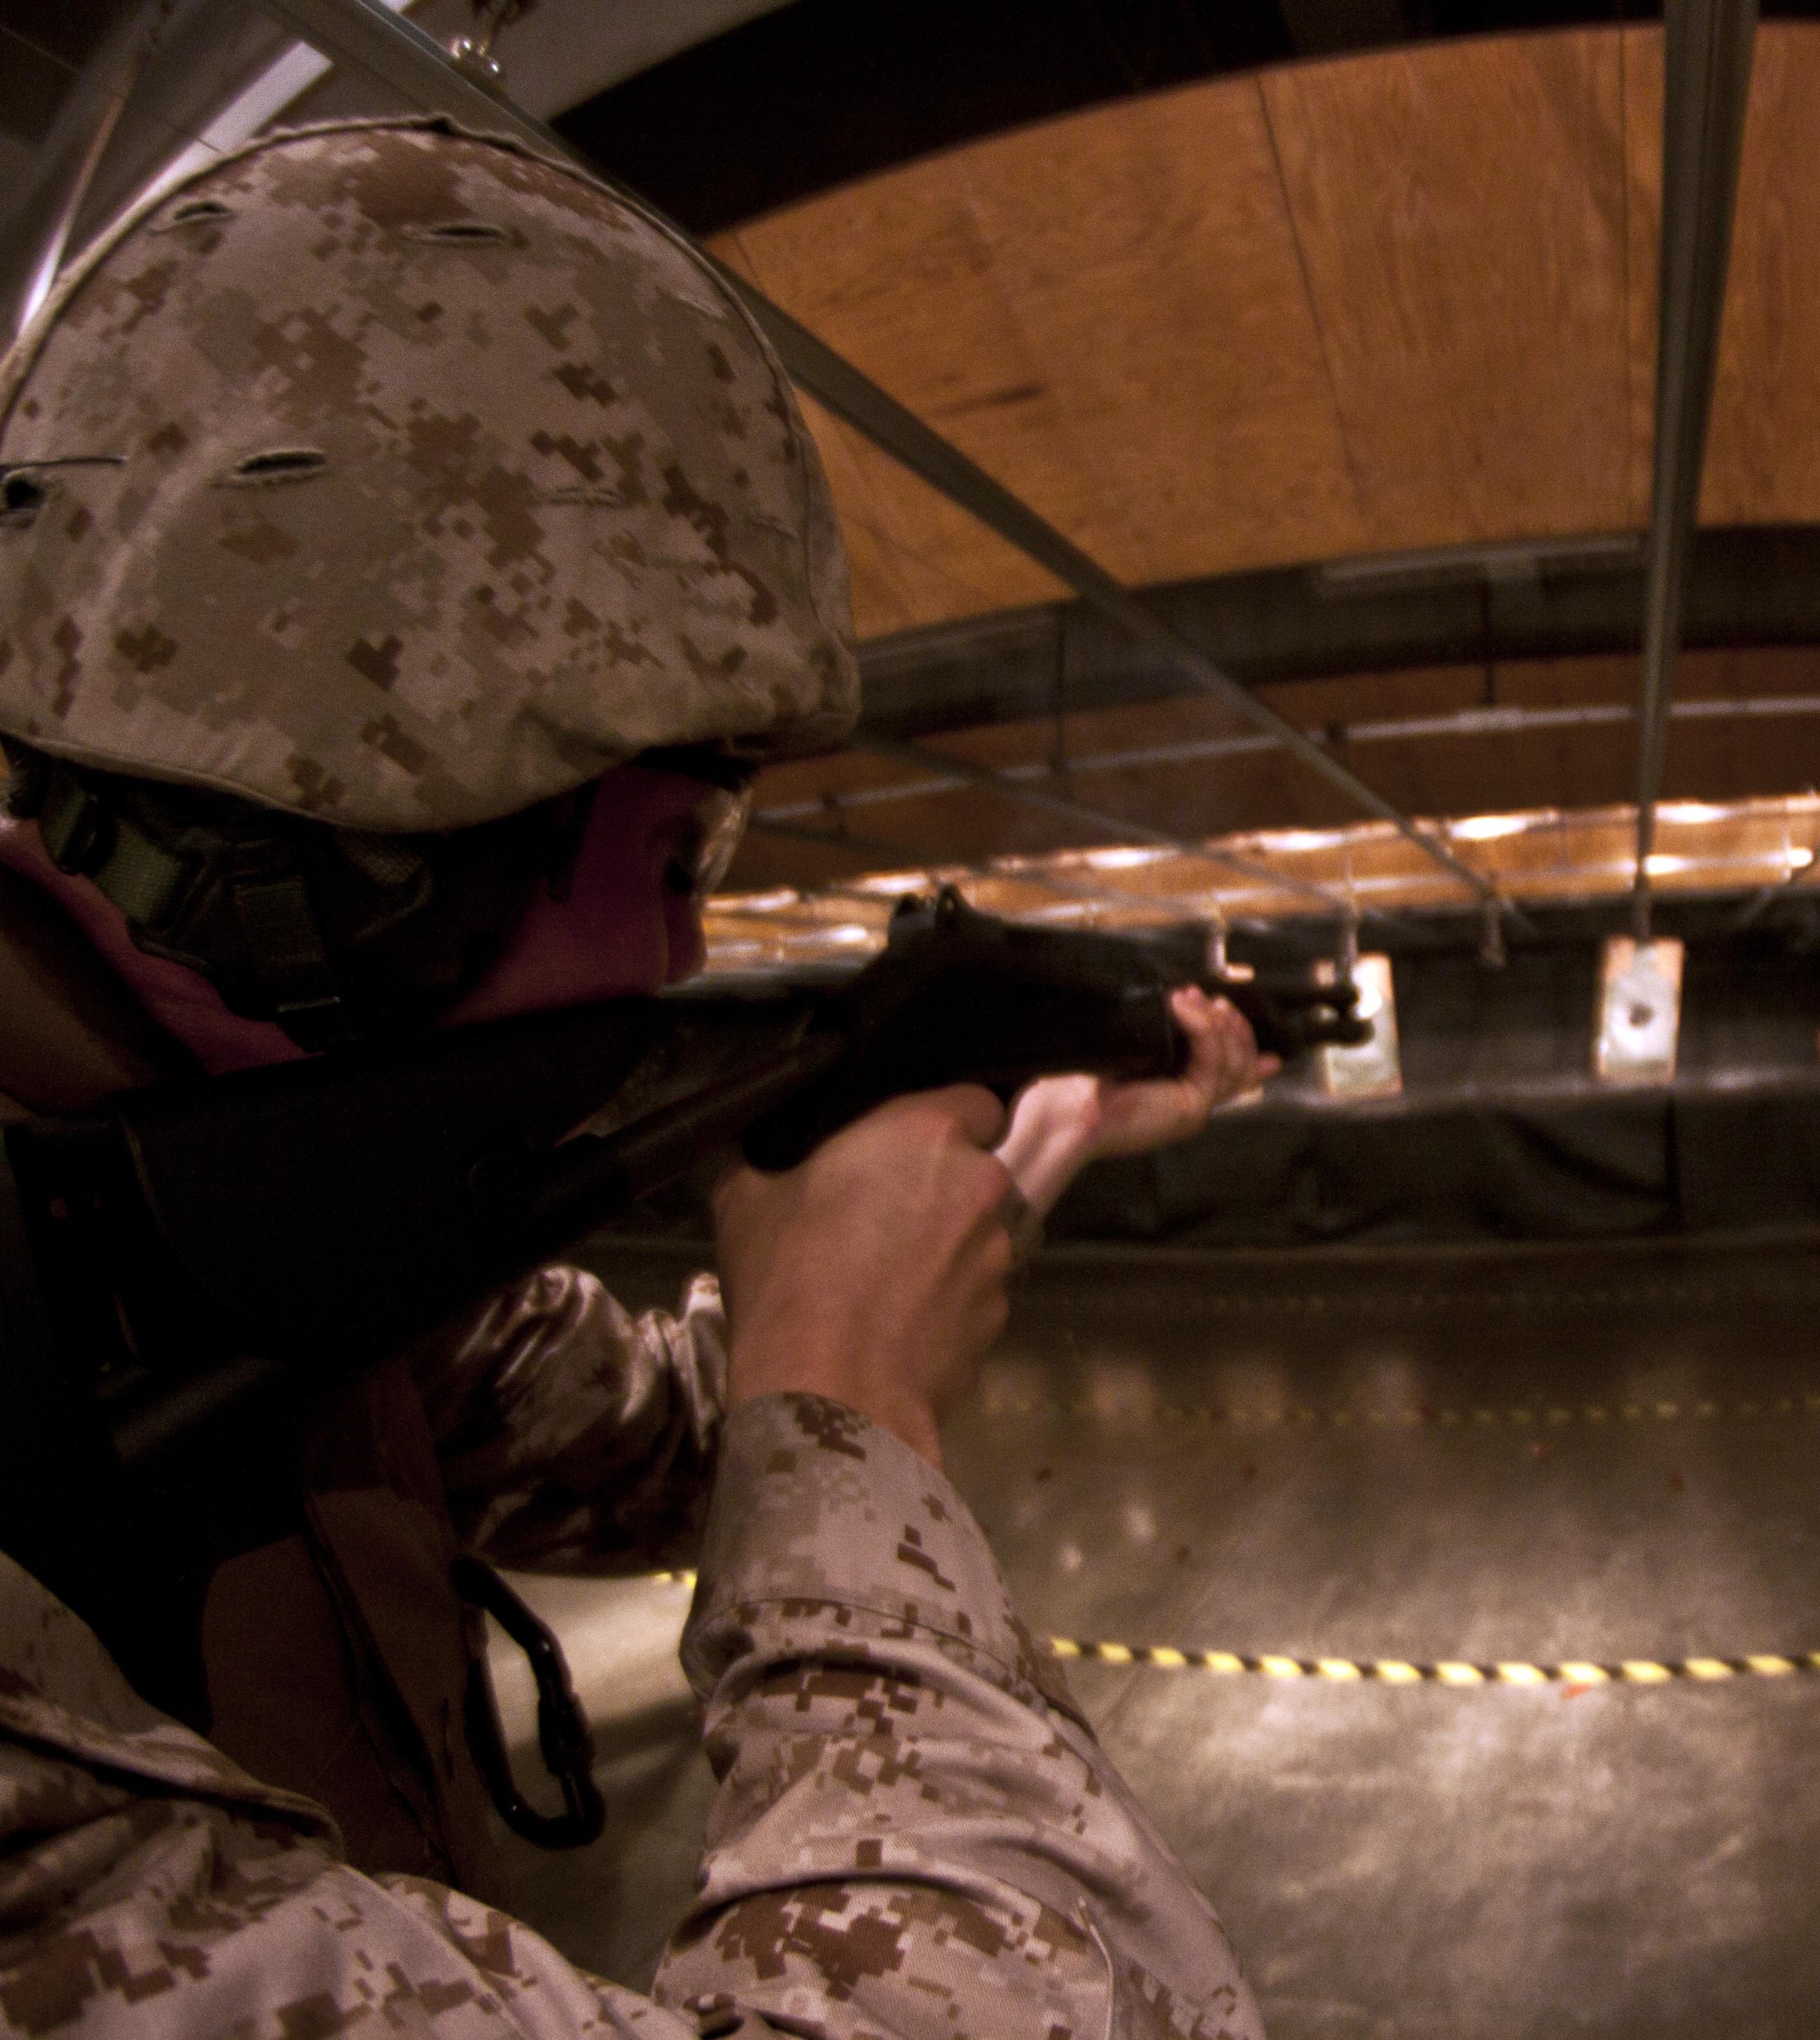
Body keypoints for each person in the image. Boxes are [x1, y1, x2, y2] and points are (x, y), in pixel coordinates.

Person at [0, 117, 1268, 2035]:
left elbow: (658, 1448)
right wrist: (848, 1407)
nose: (682, 956)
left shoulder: (202, 1222)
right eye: (677, 864)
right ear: (370, 842)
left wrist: (1053, 1131)